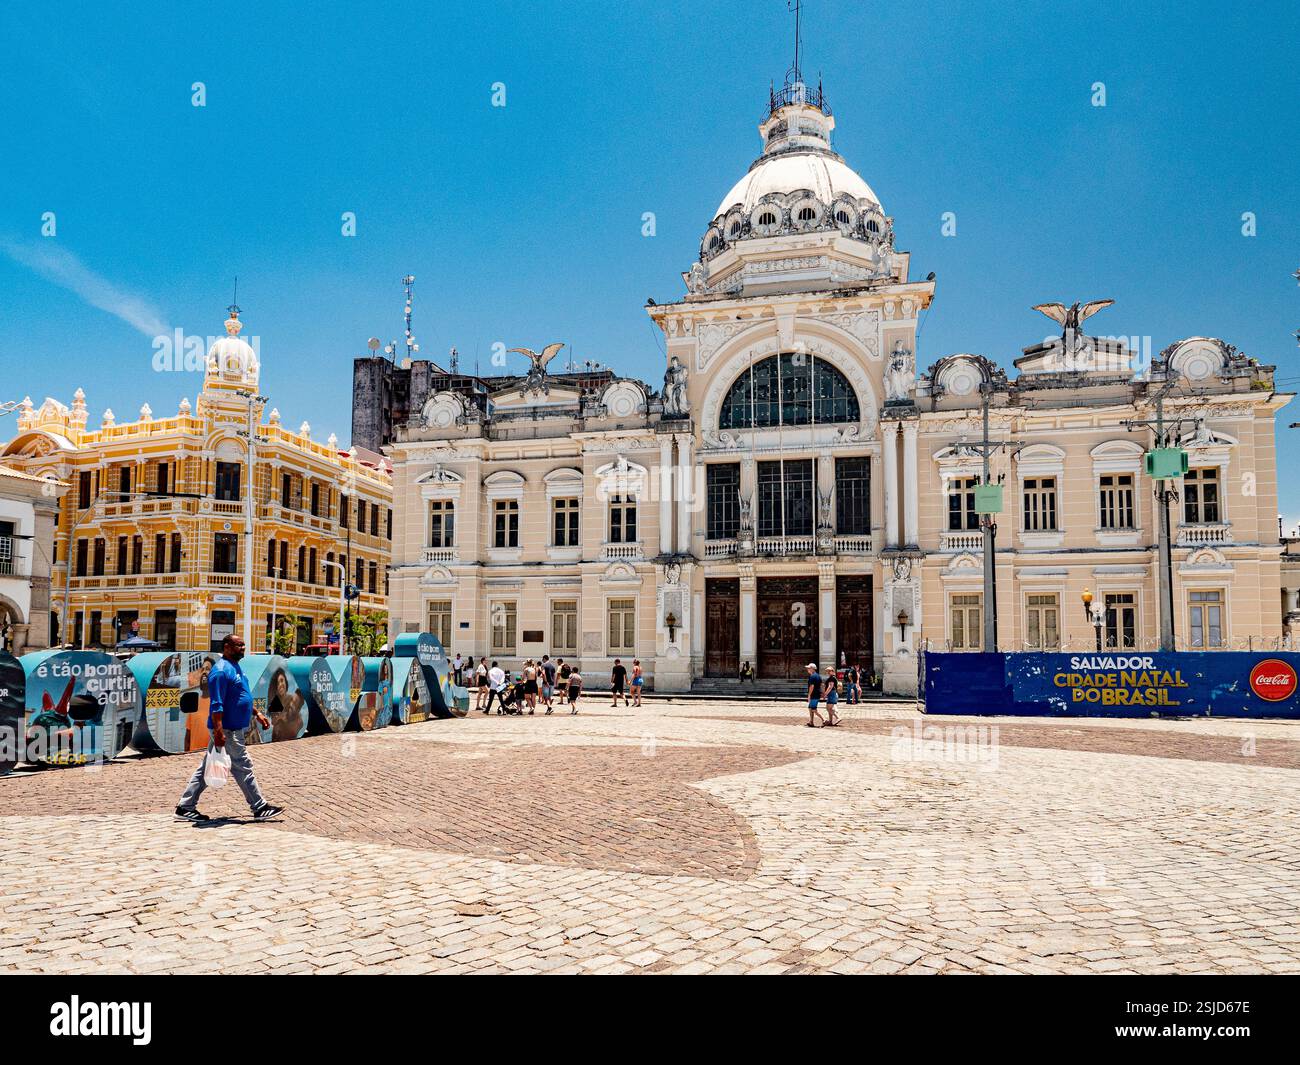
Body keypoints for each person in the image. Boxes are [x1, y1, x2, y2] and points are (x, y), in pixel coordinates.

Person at [175, 635, 285, 823]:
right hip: (227, 729)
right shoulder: (220, 671)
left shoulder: (235, 667)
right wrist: (218, 731)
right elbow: (217, 704)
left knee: (208, 766)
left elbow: (240, 696)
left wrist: (256, 714)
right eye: (238, 645)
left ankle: (185, 807)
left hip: (232, 727)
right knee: (243, 766)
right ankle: (259, 807)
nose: (243, 647)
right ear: (226, 647)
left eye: (243, 644)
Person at [804, 662, 825, 728]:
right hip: (817, 694)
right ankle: (811, 722)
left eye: (809, 668)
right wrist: (822, 693)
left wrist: (809, 695)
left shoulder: (812, 676)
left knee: (813, 709)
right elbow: (822, 685)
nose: (807, 669)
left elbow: (812, 686)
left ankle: (824, 719)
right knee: (810, 708)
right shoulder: (818, 676)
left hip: (813, 695)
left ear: (812, 669)